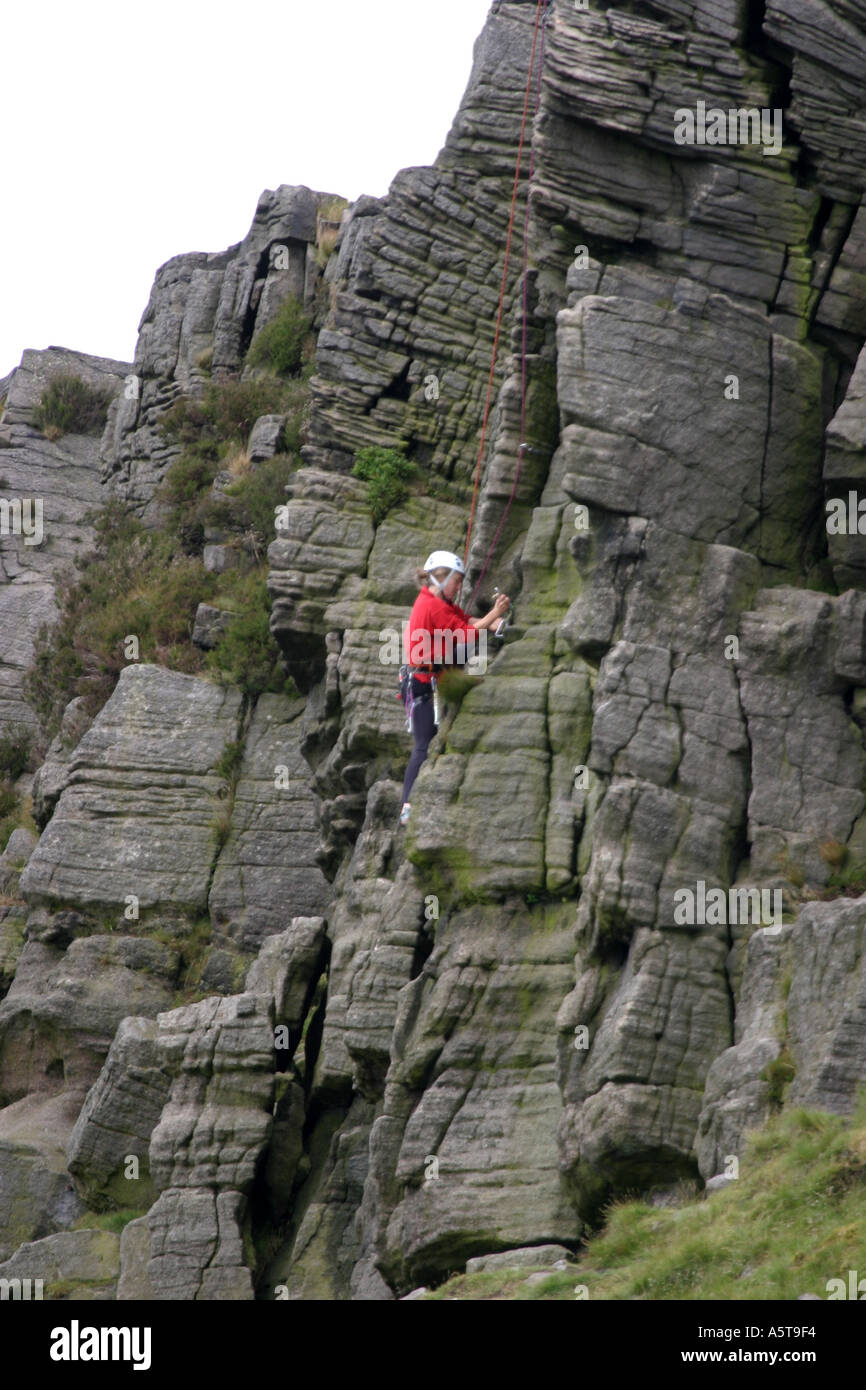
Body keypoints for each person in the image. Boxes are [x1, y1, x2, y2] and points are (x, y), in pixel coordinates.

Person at [398, 549, 510, 827]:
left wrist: (495, 623)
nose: (459, 587)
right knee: (423, 744)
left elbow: (465, 621)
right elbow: (464, 633)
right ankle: (407, 805)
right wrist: (494, 614)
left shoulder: (437, 601)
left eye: (460, 582)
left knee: (434, 738)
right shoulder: (431, 606)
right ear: (440, 578)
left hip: (433, 676)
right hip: (421, 683)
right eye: (456, 581)